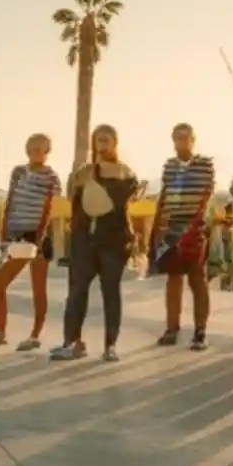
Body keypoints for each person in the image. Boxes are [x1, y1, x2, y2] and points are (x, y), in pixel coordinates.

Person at [52, 124, 141, 362]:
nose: (101, 143)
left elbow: (126, 195)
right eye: (98, 139)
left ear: (114, 143)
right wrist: (83, 176)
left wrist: (102, 174)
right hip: (84, 240)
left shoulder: (124, 171)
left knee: (110, 292)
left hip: (113, 240)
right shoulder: (83, 172)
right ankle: (72, 342)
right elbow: (73, 197)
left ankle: (110, 345)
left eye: (106, 139)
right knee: (76, 292)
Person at [0, 133, 62, 351]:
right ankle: (1, 331)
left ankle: (34, 335)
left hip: (38, 236)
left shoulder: (52, 177)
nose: (37, 153)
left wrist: (41, 238)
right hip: (15, 234)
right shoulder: (19, 172)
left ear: (47, 152)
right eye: (33, 149)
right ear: (27, 150)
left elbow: (52, 208)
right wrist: (4, 235)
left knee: (38, 288)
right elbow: (10, 201)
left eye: (41, 149)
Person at [153, 123, 216, 350]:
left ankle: (200, 331)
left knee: (198, 279)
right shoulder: (169, 166)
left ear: (192, 139)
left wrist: (194, 224)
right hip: (170, 227)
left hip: (195, 228)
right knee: (173, 278)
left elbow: (205, 193)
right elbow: (166, 194)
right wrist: (159, 227)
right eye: (177, 138)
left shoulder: (205, 164)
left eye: (185, 137)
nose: (181, 141)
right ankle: (172, 328)